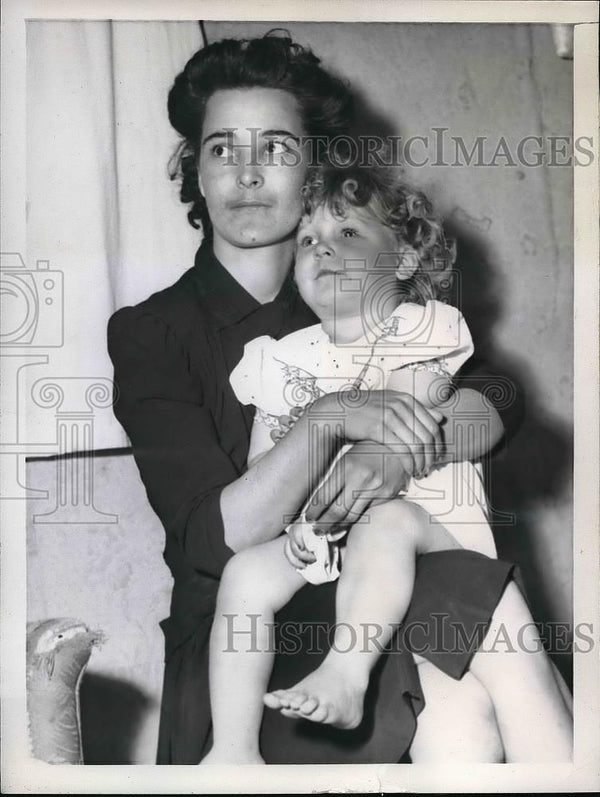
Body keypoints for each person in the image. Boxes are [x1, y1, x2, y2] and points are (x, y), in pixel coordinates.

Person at [107, 33, 570, 764]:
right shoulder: (153, 332)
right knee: (477, 663)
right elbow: (211, 543)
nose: (247, 173)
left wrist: (398, 452)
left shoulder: (360, 286)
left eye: (277, 148)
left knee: (471, 696)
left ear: (314, 169)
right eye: (222, 148)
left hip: (397, 582)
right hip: (254, 634)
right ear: (196, 168)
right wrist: (330, 418)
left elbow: (495, 398)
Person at [202, 164, 572, 763]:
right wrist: (295, 524)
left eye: (347, 233)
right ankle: (233, 749)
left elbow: (404, 434)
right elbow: (265, 463)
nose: (321, 247)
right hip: (333, 538)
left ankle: (346, 674)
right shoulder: (279, 361)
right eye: (307, 239)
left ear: (402, 259)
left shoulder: (419, 329)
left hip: (428, 528)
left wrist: (346, 439)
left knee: (384, 520)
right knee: (245, 574)